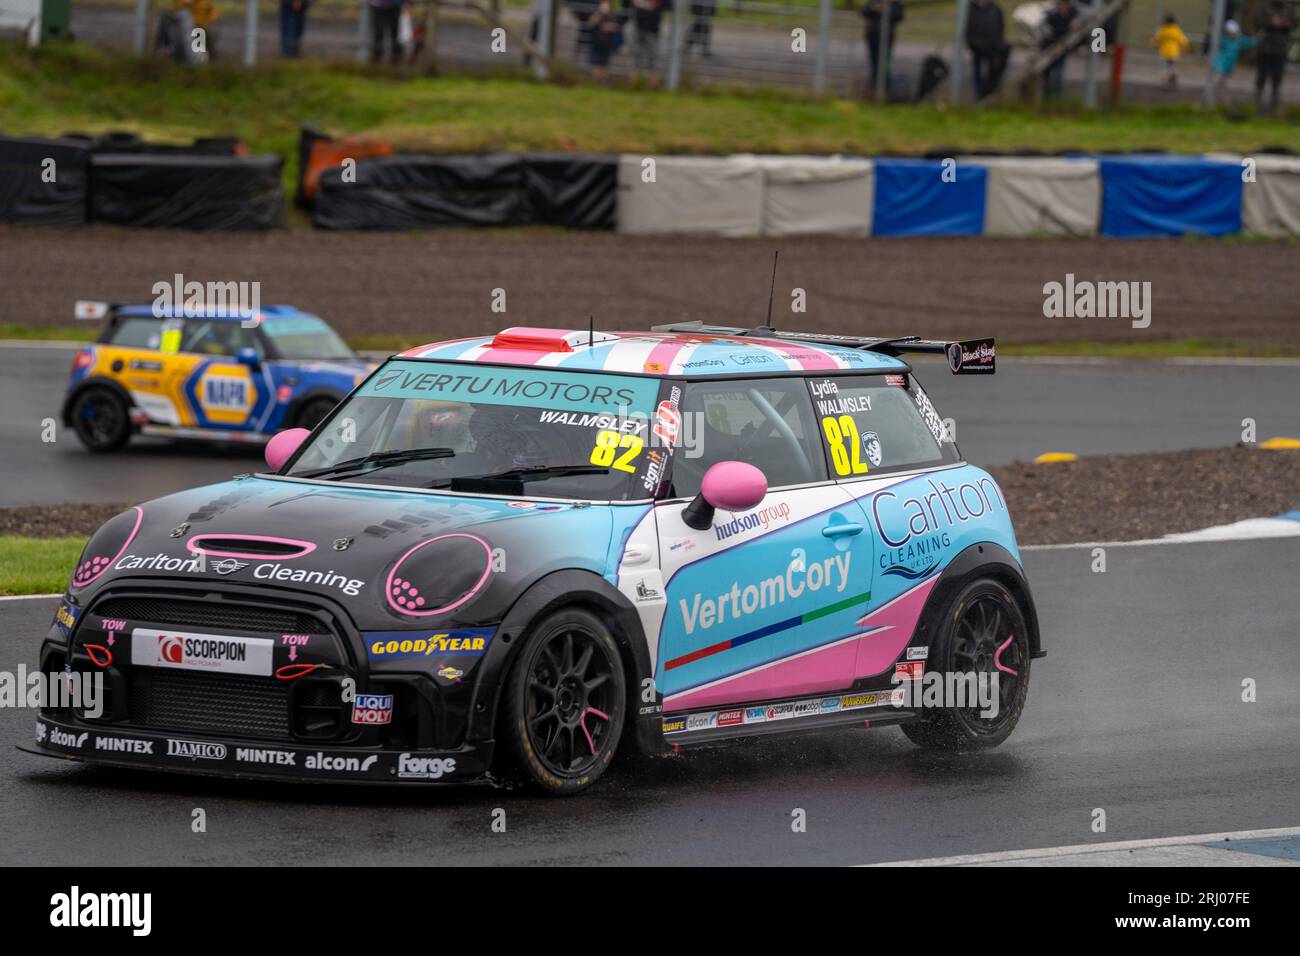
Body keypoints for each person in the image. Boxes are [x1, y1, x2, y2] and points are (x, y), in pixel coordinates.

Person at [1254, 0, 1295, 115]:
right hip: (1265, 47)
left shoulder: (1289, 8)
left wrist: (1287, 23)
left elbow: (1295, 23)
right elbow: (1256, 21)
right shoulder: (1263, 6)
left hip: (1280, 47)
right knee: (1262, 75)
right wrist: (1271, 23)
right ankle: (1256, 102)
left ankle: (1274, 105)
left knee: (1277, 77)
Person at [965, 0, 1008, 99]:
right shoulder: (972, 9)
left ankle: (989, 92)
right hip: (976, 46)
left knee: (991, 69)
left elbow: (1000, 27)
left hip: (991, 46)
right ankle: (978, 92)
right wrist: (971, 42)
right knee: (977, 69)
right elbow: (968, 27)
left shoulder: (995, 9)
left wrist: (998, 43)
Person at [1208, 19, 1258, 101]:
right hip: (1220, 64)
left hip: (1229, 65)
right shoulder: (1223, 39)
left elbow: (1249, 42)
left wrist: (1258, 38)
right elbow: (1215, 46)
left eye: (1234, 32)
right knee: (1216, 78)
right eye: (1231, 32)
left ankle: (1219, 94)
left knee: (1223, 81)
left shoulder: (1239, 39)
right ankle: (1211, 95)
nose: (1233, 34)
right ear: (1227, 32)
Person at [861, 0, 904, 94]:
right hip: (872, 36)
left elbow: (899, 16)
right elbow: (864, 11)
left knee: (884, 63)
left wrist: (886, 9)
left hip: (887, 39)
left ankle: (885, 87)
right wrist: (873, 8)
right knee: (874, 62)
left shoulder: (896, 3)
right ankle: (874, 86)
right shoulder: (874, 1)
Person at [1040, 0, 1078, 97]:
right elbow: (1045, 30)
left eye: (1066, 5)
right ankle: (1046, 94)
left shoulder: (1073, 15)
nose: (1064, 7)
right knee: (1046, 72)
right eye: (1062, 5)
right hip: (1048, 47)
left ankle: (1056, 95)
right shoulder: (1051, 15)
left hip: (1062, 48)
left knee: (1058, 73)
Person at [586, 0, 625, 80]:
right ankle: (595, 82)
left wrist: (611, 27)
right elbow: (591, 24)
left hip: (607, 43)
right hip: (597, 42)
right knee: (596, 63)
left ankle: (602, 82)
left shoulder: (613, 14)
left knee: (604, 63)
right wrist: (599, 15)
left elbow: (618, 25)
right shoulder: (597, 11)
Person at [1150, 14, 1189, 89]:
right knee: (1171, 65)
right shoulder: (1176, 30)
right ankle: (1172, 77)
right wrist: (1185, 47)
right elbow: (1183, 40)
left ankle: (1166, 79)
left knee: (1166, 66)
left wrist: (1152, 44)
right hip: (1174, 52)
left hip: (1164, 52)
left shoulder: (1163, 29)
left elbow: (1157, 38)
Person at [628, 0, 664, 79]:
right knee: (635, 56)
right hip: (639, 27)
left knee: (654, 58)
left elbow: (657, 5)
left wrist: (644, 5)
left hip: (652, 29)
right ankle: (634, 83)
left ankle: (653, 85)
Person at [370, 0, 405, 64]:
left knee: (394, 29)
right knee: (379, 29)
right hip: (379, 4)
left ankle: (395, 52)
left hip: (394, 4)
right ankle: (378, 52)